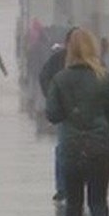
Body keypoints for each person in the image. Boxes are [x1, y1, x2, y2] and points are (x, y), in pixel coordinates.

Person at [44, 28, 109, 216]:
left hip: (71, 148)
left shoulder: (60, 79)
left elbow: (52, 114)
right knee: (98, 199)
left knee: (74, 204)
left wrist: (69, 110)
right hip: (100, 146)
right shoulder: (105, 78)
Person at [39, 27, 76, 203]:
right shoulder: (58, 59)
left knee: (67, 150)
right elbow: (44, 77)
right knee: (63, 149)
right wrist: (52, 99)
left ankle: (70, 188)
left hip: (81, 115)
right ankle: (63, 188)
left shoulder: (92, 61)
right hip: (66, 114)